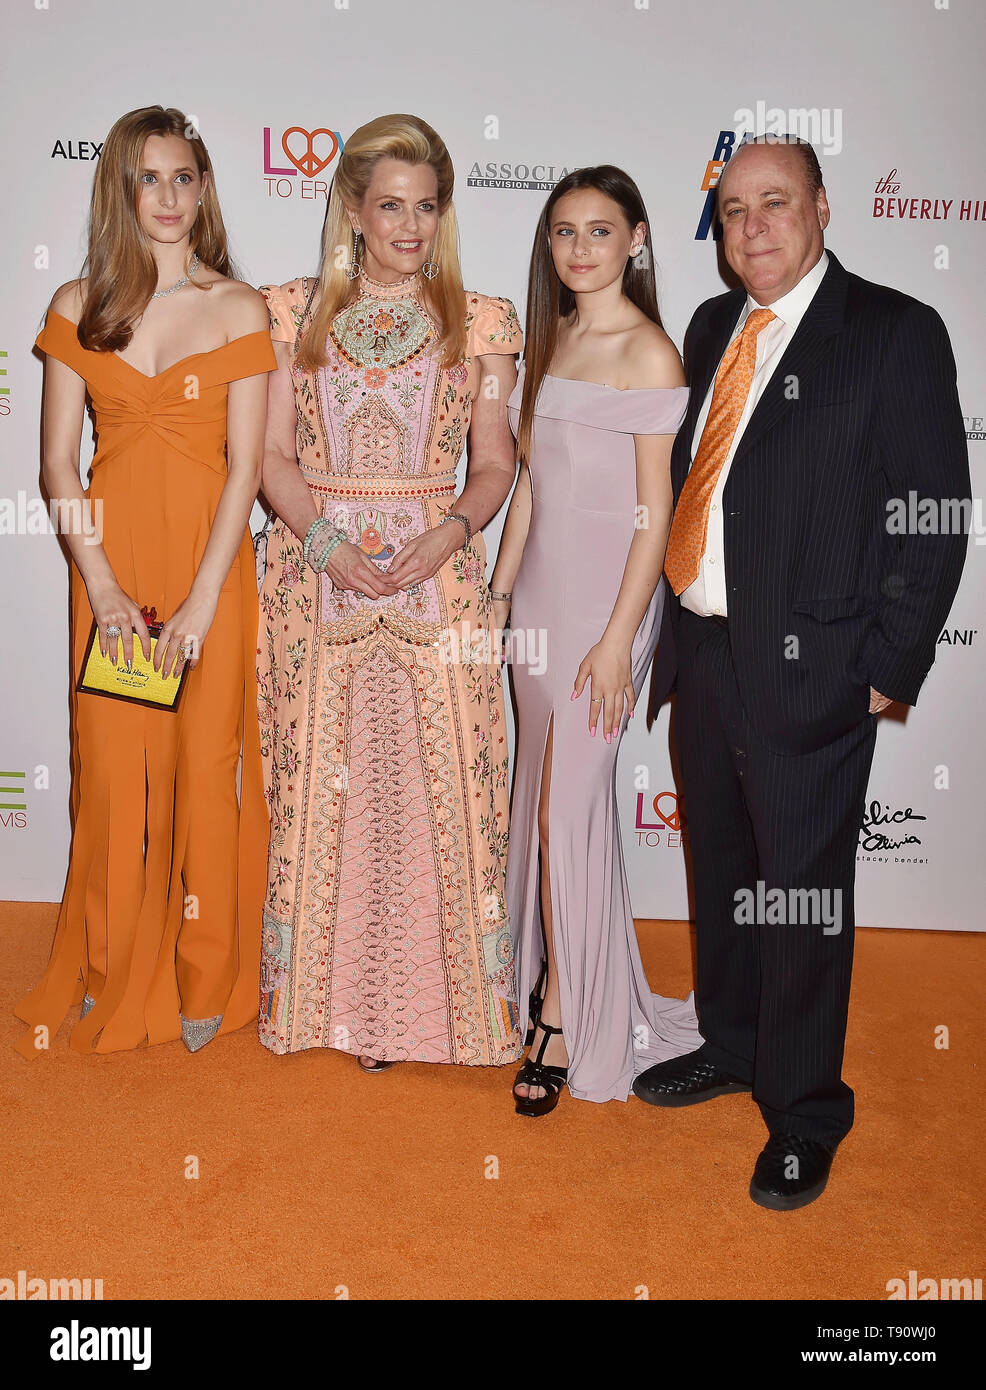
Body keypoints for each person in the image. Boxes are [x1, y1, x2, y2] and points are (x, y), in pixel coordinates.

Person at [633, 135, 970, 1208]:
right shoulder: (705, 325)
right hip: (707, 650)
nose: (752, 228)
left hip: (814, 671)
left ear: (821, 208)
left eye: (773, 203)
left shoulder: (891, 332)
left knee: (801, 900)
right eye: (731, 211)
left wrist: (884, 666)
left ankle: (803, 1108)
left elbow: (934, 515)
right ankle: (732, 1045)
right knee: (726, 877)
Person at [256, 114, 524, 1071]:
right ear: (354, 210)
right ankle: (327, 1013)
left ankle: (444, 1017)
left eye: (427, 206)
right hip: (313, 570)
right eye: (390, 206)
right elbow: (270, 454)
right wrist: (323, 540)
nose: (410, 226)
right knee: (321, 782)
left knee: (441, 786)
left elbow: (494, 463)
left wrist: (450, 530)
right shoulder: (289, 313)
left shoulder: (481, 320)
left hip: (436, 574)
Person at [15, 106, 275, 1057]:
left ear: (205, 188)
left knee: (208, 771)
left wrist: (206, 596)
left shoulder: (240, 307)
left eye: (184, 177)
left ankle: (205, 978)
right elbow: (55, 467)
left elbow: (245, 469)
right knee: (112, 772)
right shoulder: (79, 304)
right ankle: (106, 960)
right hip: (112, 571)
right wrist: (105, 588)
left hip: (211, 570)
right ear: (121, 190)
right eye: (149, 179)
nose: (168, 198)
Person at [494, 167, 703, 1117]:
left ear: (638, 239)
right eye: (565, 232)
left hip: (605, 612)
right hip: (540, 601)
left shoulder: (650, 353)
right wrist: (496, 598)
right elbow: (533, 481)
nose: (580, 249)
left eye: (600, 231)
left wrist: (622, 640)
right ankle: (537, 978)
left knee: (568, 809)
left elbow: (656, 512)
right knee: (535, 801)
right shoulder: (560, 336)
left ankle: (565, 1011)